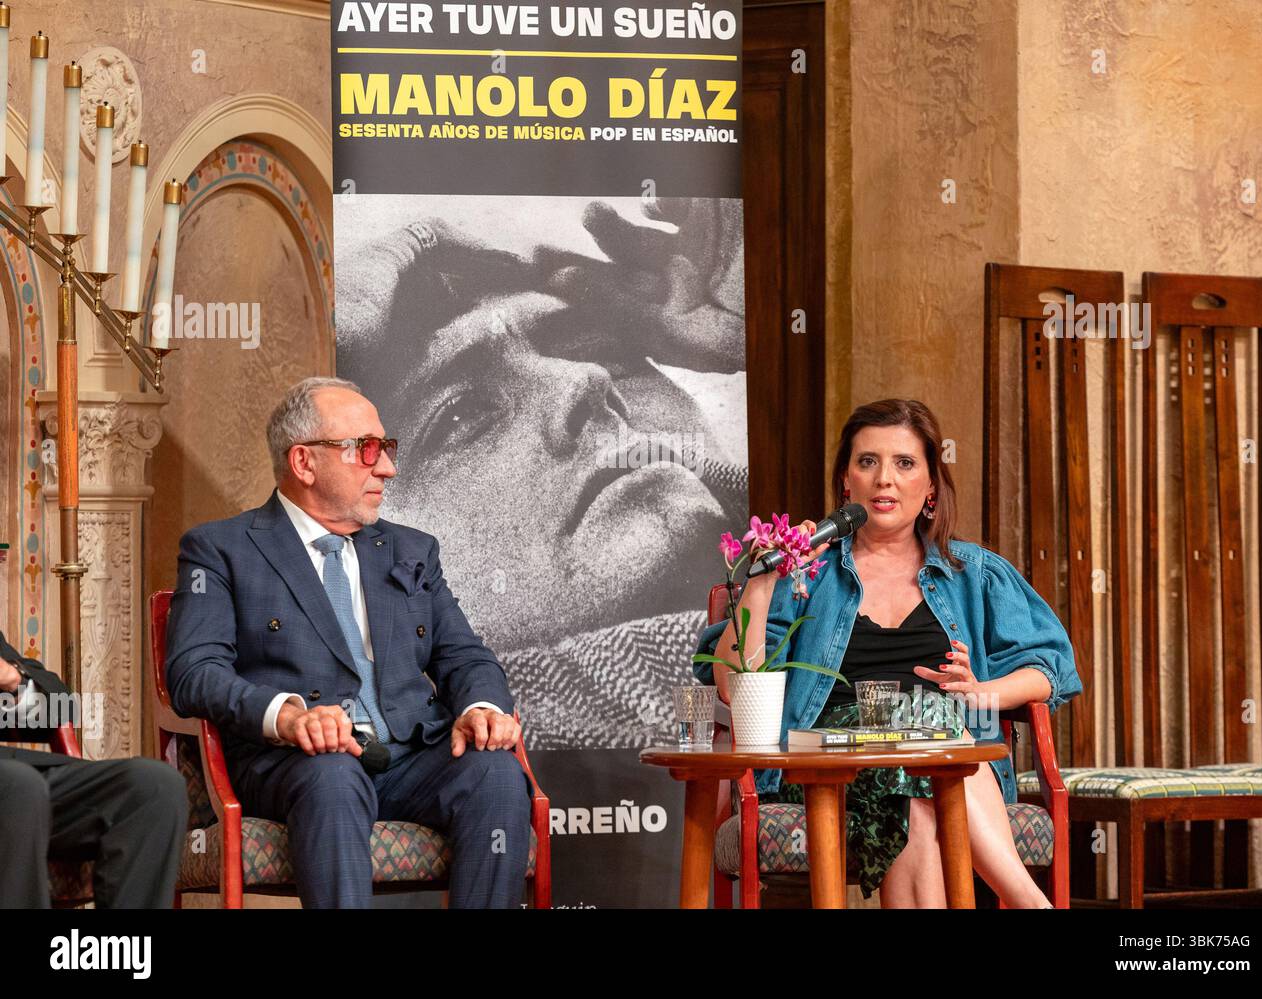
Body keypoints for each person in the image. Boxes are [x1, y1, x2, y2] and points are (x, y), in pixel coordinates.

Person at [334, 196, 748, 748]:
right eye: (460, 414)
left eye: (598, 352)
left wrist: (756, 331)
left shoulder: (813, 634)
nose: (584, 382)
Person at [695, 399, 1082, 907]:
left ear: (930, 487)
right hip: (826, 771)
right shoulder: (807, 574)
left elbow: (1051, 666)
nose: (884, 479)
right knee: (929, 725)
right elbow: (731, 682)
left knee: (918, 799)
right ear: (846, 483)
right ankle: (1032, 903)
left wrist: (983, 691)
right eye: (867, 462)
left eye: (904, 463)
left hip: (937, 772)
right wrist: (765, 584)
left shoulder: (975, 573)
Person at [165, 377, 531, 908]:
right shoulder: (222, 550)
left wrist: (480, 706)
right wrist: (288, 716)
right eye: (366, 449)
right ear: (304, 463)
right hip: (295, 759)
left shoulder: (411, 550)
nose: (387, 467)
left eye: (386, 449)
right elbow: (194, 673)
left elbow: (462, 654)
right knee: (332, 777)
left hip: (410, 754)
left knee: (496, 771)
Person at [0, 634, 188, 908]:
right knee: (21, 787)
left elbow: (60, 705)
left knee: (154, 787)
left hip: (17, 778)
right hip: (16, 785)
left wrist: (14, 681)